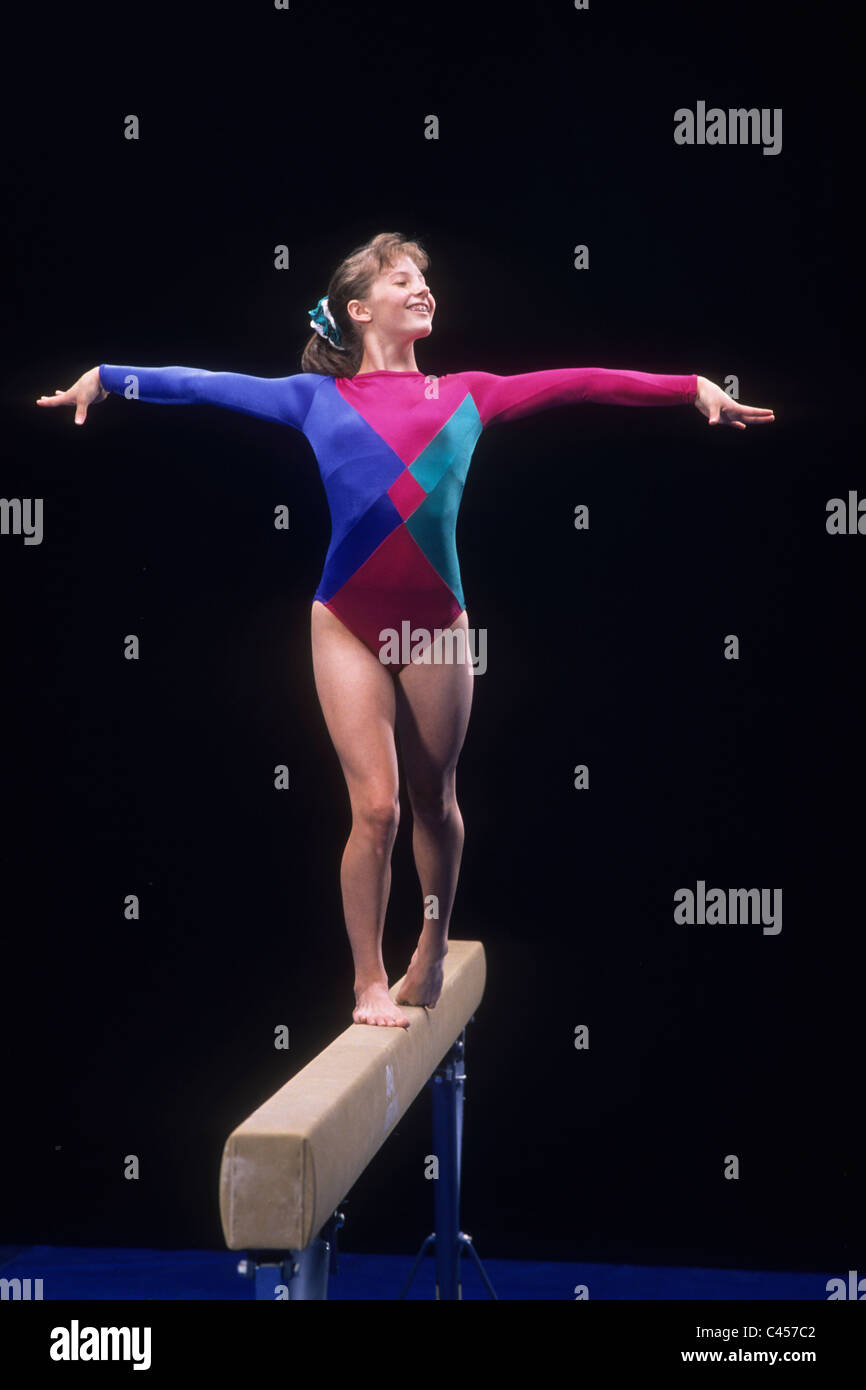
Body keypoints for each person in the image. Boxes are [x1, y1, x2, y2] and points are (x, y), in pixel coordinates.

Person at [36, 230, 775, 1028]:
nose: (423, 288)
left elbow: (581, 383)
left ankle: (431, 944)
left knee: (436, 797)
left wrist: (688, 386)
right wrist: (108, 379)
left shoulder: (469, 394)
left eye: (425, 279)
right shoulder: (314, 398)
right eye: (402, 279)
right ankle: (365, 981)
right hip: (345, 618)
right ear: (359, 309)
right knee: (377, 810)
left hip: (437, 624)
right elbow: (207, 384)